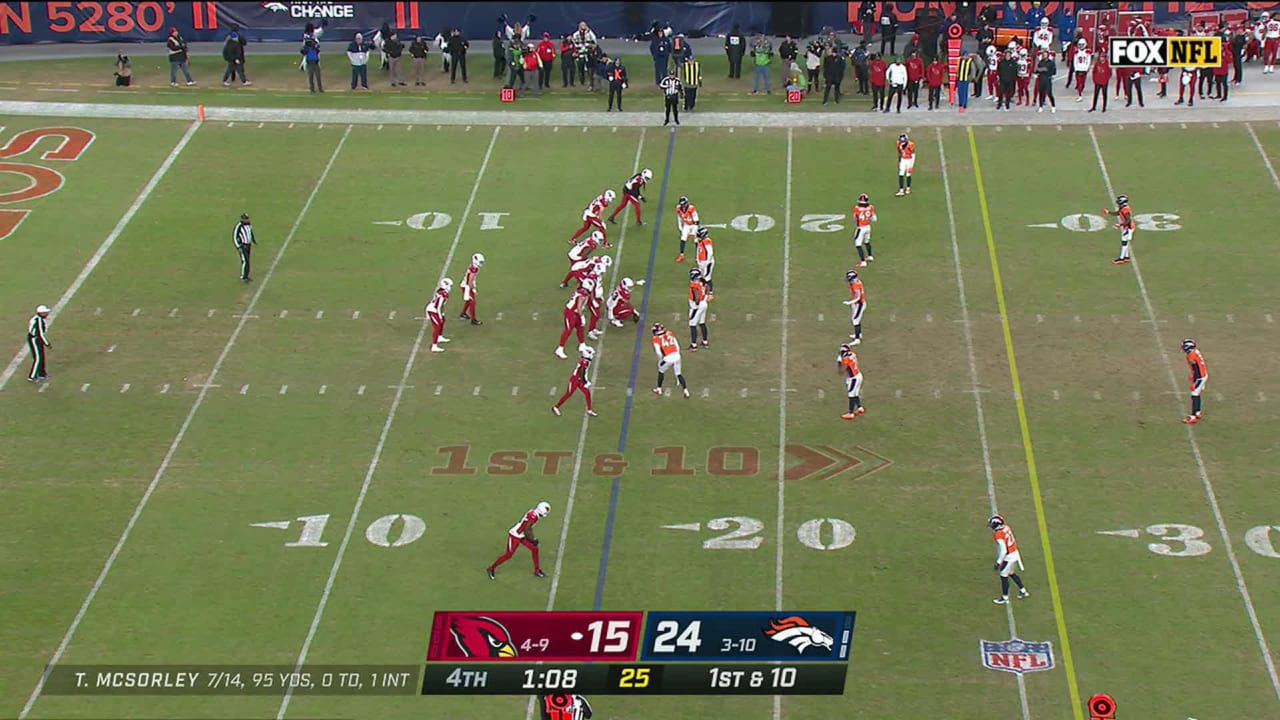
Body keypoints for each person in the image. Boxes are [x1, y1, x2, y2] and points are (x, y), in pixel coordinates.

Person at [486, 501, 551, 579]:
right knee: (508, 555)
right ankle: (491, 568)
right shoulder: (534, 517)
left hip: (522, 535)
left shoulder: (534, 513)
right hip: (515, 535)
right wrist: (533, 539)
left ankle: (537, 571)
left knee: (534, 549)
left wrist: (532, 538)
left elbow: (528, 529)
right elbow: (527, 529)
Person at [989, 515, 1030, 604]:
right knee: (1011, 573)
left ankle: (1005, 597)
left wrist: (998, 562)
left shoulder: (998, 534)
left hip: (1009, 557)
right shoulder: (1006, 527)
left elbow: (1003, 550)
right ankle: (1023, 591)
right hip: (1014, 553)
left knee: (1003, 575)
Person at [552, 344, 597, 417]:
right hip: (575, 380)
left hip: (579, 380)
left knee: (587, 393)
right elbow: (582, 373)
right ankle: (556, 407)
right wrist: (585, 382)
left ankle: (589, 410)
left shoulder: (585, 360)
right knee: (568, 394)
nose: (592, 355)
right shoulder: (585, 362)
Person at [651, 323, 690, 398]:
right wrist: (677, 355)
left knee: (661, 371)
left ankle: (659, 389)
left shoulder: (656, 339)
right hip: (677, 355)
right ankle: (686, 391)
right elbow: (677, 346)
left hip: (668, 358)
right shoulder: (670, 333)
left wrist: (660, 361)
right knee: (678, 374)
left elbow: (658, 353)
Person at [556, 282, 592, 358]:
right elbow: (579, 307)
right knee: (568, 330)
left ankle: (582, 344)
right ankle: (559, 349)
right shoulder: (583, 294)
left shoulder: (580, 290)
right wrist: (582, 317)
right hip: (570, 312)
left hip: (575, 312)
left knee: (580, 327)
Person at [1182, 339, 1208, 424]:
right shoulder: (1195, 352)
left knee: (1194, 394)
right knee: (1197, 394)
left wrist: (1195, 380)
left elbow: (1196, 369)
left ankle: (1193, 416)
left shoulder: (1191, 355)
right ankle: (1197, 412)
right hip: (1202, 375)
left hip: (1200, 377)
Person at [837, 343, 865, 419]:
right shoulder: (852, 354)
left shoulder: (846, 359)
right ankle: (860, 408)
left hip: (854, 378)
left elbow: (841, 371)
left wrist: (839, 363)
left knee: (851, 394)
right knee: (855, 393)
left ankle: (851, 413)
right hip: (858, 375)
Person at [26, 304, 51, 383]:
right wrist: (47, 343)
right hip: (35, 339)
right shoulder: (38, 320)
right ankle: (32, 376)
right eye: (45, 312)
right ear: (41, 313)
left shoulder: (38, 318)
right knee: (38, 358)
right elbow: (40, 334)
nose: (47, 314)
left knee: (41, 356)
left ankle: (42, 373)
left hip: (37, 339)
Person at [426, 278, 452, 353]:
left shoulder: (442, 292)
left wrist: (442, 314)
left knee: (442, 321)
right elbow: (437, 307)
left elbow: (442, 305)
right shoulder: (442, 294)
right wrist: (440, 316)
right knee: (437, 327)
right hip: (432, 310)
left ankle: (439, 337)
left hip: (436, 309)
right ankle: (434, 346)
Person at [687, 267, 710, 350]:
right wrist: (706, 297)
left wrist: (696, 305)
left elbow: (696, 297)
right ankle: (705, 342)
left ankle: (693, 345)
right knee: (702, 322)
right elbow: (707, 288)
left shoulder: (694, 285)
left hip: (697, 306)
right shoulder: (702, 282)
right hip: (704, 303)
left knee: (692, 324)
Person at [1107, 194, 1133, 265]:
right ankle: (1126, 257)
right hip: (1127, 227)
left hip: (1128, 227)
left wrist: (1120, 225)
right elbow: (1118, 213)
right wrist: (1108, 212)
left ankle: (1121, 258)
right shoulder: (1123, 208)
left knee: (1124, 243)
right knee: (1125, 242)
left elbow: (1128, 220)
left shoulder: (1125, 209)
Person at [459, 253, 485, 325]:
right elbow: (470, 281)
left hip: (466, 285)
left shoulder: (473, 266)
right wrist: (473, 289)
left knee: (468, 301)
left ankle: (463, 314)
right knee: (472, 302)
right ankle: (473, 320)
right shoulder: (474, 269)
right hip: (467, 287)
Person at [852, 192, 876, 266]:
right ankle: (870, 256)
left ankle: (863, 261)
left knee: (858, 244)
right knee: (866, 241)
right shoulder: (871, 207)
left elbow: (854, 218)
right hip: (868, 227)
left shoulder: (857, 208)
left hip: (861, 227)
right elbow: (874, 219)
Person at [843, 269, 866, 344]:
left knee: (855, 320)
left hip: (859, 304)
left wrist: (849, 302)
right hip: (856, 303)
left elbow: (858, 297)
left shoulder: (856, 285)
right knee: (855, 319)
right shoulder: (855, 282)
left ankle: (857, 339)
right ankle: (858, 334)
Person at [674, 195, 699, 262]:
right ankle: (681, 255)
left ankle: (697, 256)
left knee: (695, 240)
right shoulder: (678, 208)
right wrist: (680, 227)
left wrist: (693, 232)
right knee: (683, 238)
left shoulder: (691, 208)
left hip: (693, 225)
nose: (683, 206)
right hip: (686, 225)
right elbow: (679, 218)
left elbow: (696, 221)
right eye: (682, 205)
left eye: (684, 204)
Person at [232, 212, 255, 282]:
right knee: (245, 261)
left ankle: (246, 275)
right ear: (242, 219)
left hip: (248, 245)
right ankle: (243, 276)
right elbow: (234, 236)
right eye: (245, 219)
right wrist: (238, 246)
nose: (247, 220)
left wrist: (253, 240)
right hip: (242, 246)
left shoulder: (249, 225)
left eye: (247, 218)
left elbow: (250, 232)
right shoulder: (239, 226)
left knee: (248, 261)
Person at [301, 24, 323, 93]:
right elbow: (304, 51)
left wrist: (314, 45)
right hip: (310, 60)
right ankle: (313, 89)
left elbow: (317, 48)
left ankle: (318, 88)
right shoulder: (307, 40)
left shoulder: (312, 39)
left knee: (316, 76)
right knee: (312, 76)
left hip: (315, 60)